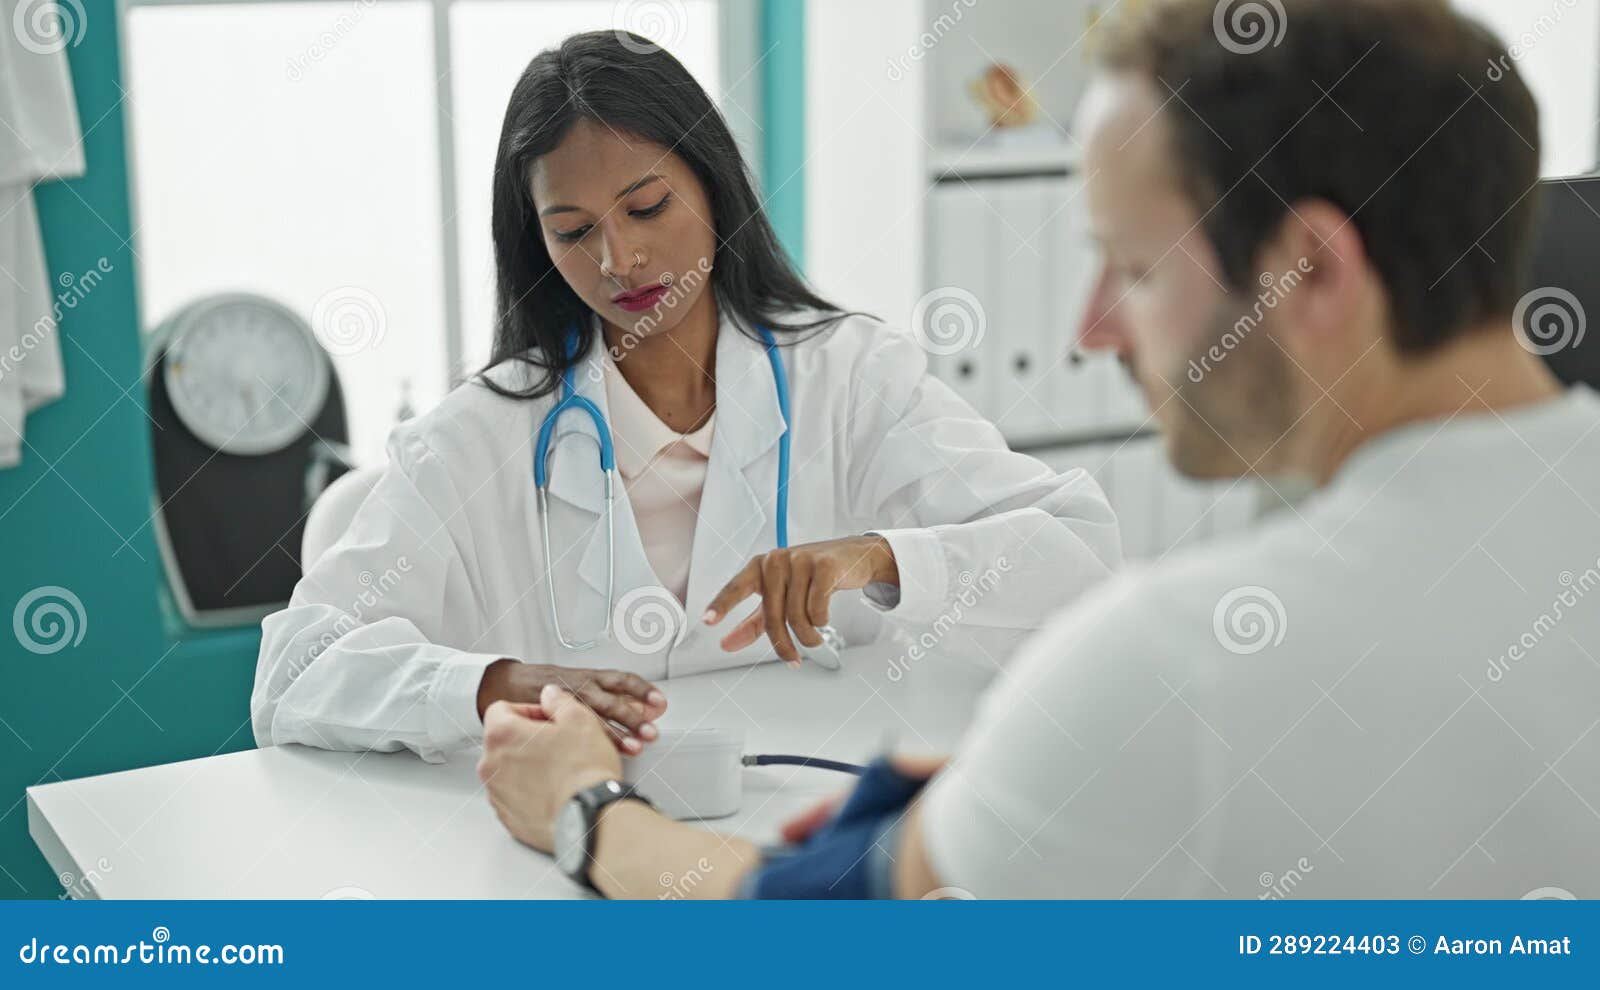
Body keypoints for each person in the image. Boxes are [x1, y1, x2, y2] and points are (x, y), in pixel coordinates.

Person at [478, 0, 1600, 898]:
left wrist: (585, 809)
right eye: (572, 230)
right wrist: (1031, 794)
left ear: (1306, 272)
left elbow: (809, 929)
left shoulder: (1176, 666)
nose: (1090, 328)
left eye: (1136, 267)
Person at [251, 30, 1122, 764]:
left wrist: (877, 557)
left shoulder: (849, 377)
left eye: (647, 207)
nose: (618, 261)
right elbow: (293, 672)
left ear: (712, 185)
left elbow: (1080, 552)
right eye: (574, 231)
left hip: (802, 842)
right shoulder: (473, 438)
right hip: (560, 854)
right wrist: (492, 683)